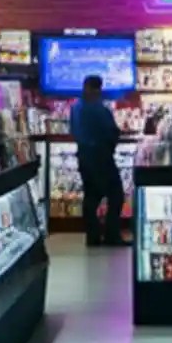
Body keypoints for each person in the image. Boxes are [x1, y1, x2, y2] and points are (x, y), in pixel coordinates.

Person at [70, 75, 127, 247]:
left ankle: (93, 236)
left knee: (91, 198)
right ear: (97, 89)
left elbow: (73, 131)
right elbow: (112, 132)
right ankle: (111, 235)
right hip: (101, 158)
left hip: (84, 157)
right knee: (116, 196)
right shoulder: (99, 108)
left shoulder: (76, 108)